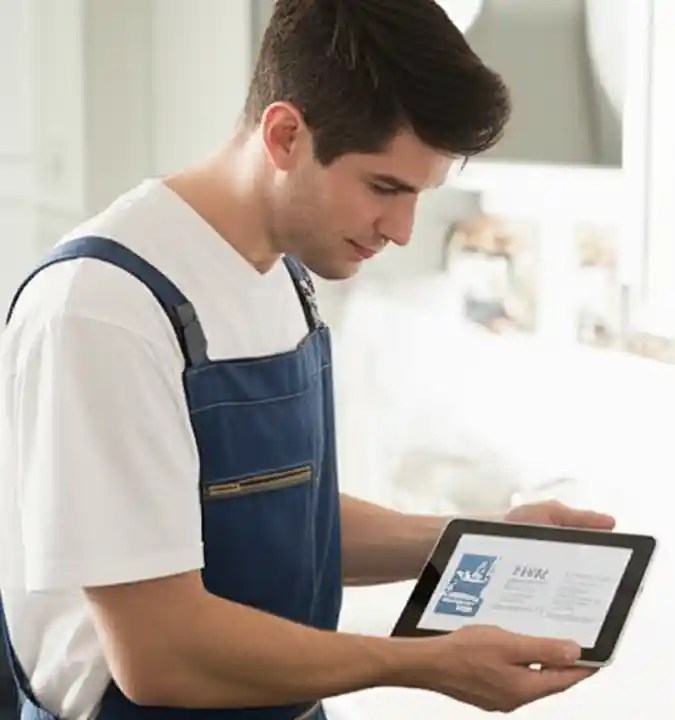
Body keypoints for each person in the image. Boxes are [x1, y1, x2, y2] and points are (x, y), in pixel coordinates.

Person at [0, 1, 616, 719]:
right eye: (385, 188)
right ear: (286, 134)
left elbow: (286, 521)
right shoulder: (105, 310)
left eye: (420, 194)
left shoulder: (284, 276)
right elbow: (159, 650)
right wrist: (417, 663)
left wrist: (481, 541)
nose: (403, 229)